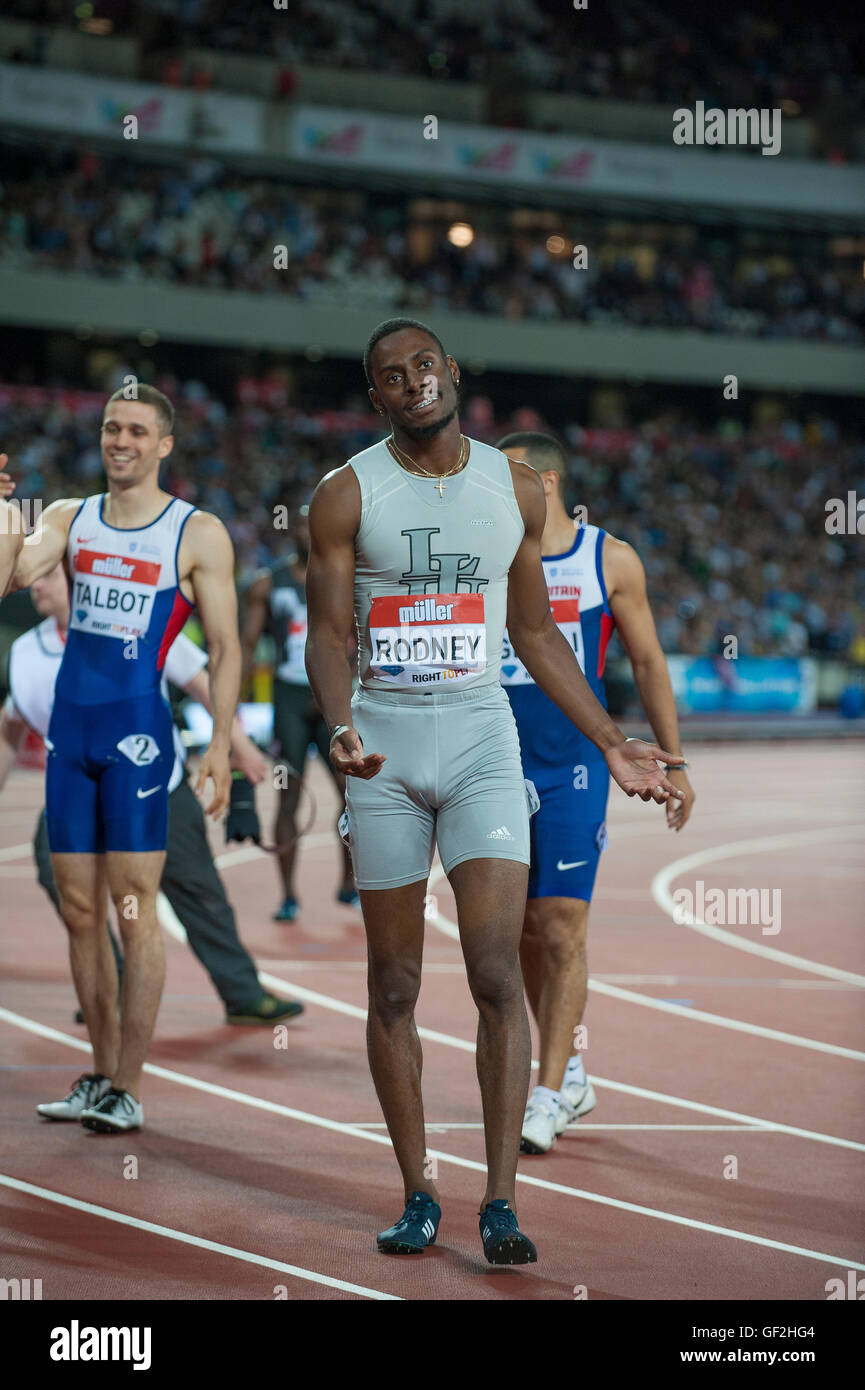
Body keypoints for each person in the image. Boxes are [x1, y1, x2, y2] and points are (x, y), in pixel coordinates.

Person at [304, 317, 685, 1265]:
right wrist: (337, 723)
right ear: (377, 395)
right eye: (392, 375)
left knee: (493, 973)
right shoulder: (344, 494)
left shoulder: (509, 486)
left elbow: (538, 633)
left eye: (424, 364)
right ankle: (417, 1191)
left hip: (481, 746)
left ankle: (502, 1202)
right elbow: (322, 630)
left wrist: (610, 743)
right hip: (385, 758)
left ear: (452, 372)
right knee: (393, 983)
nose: (413, 382)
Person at [3, 384, 241, 1133]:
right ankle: (100, 1072)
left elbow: (229, 647)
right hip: (70, 740)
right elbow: (8, 578)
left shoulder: (195, 533)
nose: (121, 440)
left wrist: (223, 748)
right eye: (112, 427)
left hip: (138, 737)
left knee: (134, 913)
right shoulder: (69, 518)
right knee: (81, 912)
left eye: (137, 430)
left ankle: (130, 1086)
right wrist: (4, 518)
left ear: (164, 445)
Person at [496, 432, 696, 1154]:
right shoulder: (485, 558)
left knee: (560, 925)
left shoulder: (606, 559)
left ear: (545, 483)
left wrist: (672, 761)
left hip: (573, 766)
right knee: (517, 928)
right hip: (493, 765)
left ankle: (546, 1093)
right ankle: (570, 1066)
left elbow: (646, 659)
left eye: (510, 476)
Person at [0, 562, 304, 1031]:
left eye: (46, 575)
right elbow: (11, 729)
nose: (33, 584)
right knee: (61, 879)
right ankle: (109, 983)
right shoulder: (25, 652)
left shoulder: (137, 625)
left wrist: (238, 751)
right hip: (79, 793)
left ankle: (242, 993)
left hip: (156, 786)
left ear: (78, 580)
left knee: (200, 892)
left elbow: (203, 684)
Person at [241, 504, 357, 921]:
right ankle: (288, 895)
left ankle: (349, 885)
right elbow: (246, 646)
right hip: (290, 700)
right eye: (302, 524)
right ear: (287, 529)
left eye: (316, 522)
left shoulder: (346, 575)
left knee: (354, 798)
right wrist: (234, 711)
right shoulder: (266, 583)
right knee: (288, 799)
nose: (309, 531)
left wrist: (349, 685)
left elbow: (363, 639)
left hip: (334, 701)